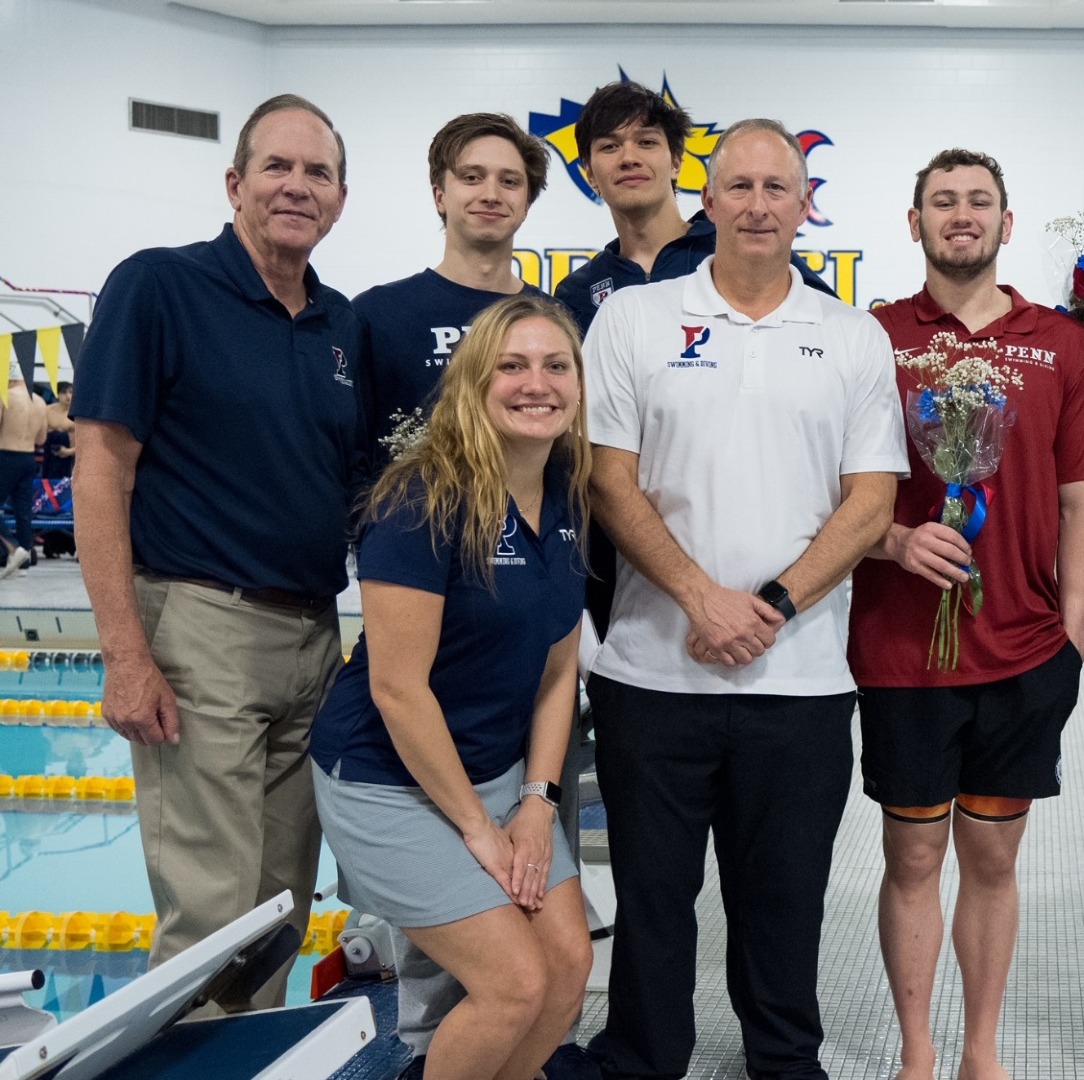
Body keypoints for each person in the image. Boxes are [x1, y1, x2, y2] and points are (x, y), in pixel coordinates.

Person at [581, 118, 906, 1080]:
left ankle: (783, 1059)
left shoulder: (851, 336)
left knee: (785, 897)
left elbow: (872, 500)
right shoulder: (633, 321)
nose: (759, 206)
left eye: (779, 189)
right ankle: (644, 1057)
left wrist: (765, 604)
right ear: (708, 201)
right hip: (651, 669)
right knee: (651, 894)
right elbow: (609, 479)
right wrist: (697, 597)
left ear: (807, 207)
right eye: (740, 187)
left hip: (800, 682)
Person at [70, 94, 361, 1009]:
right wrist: (125, 652)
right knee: (210, 923)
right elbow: (101, 472)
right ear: (234, 183)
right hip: (201, 630)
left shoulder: (340, 326)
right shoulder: (158, 286)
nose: (296, 187)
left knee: (275, 919)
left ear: (340, 200)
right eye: (277, 167)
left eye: (318, 173)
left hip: (314, 636)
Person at [849, 149, 1084, 1080]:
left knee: (994, 864)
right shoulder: (869, 337)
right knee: (913, 861)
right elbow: (836, 493)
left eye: (980, 202)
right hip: (899, 651)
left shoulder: (1063, 344)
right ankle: (917, 1052)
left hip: (1024, 654)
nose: (962, 215)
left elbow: (1083, 502)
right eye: (943, 201)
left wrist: (1072, 641)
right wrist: (893, 542)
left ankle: (980, 1051)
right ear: (912, 221)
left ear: (1006, 224)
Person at [309, 295, 595, 1080]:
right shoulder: (419, 501)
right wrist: (479, 828)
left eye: (555, 365)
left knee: (567, 970)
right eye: (512, 365)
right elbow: (398, 690)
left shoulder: (567, 492)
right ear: (474, 382)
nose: (536, 383)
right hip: (388, 779)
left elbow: (558, 665)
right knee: (513, 986)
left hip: (498, 773)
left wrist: (536, 801)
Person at [552, 80, 831, 641]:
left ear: (680, 162)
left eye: (647, 142)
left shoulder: (741, 246)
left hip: (758, 567)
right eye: (608, 147)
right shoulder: (578, 294)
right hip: (623, 563)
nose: (628, 158)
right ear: (587, 171)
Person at [355, 112, 550, 453]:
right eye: (472, 178)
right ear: (440, 195)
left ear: (527, 203)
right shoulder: (376, 315)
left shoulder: (553, 320)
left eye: (509, 181)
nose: (491, 194)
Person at [0, 378, 47, 567]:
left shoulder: (6, 396)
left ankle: (13, 548)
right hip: (29, 458)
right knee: (24, 512)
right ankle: (24, 560)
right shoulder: (40, 401)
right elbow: (42, 439)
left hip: (5, 455)